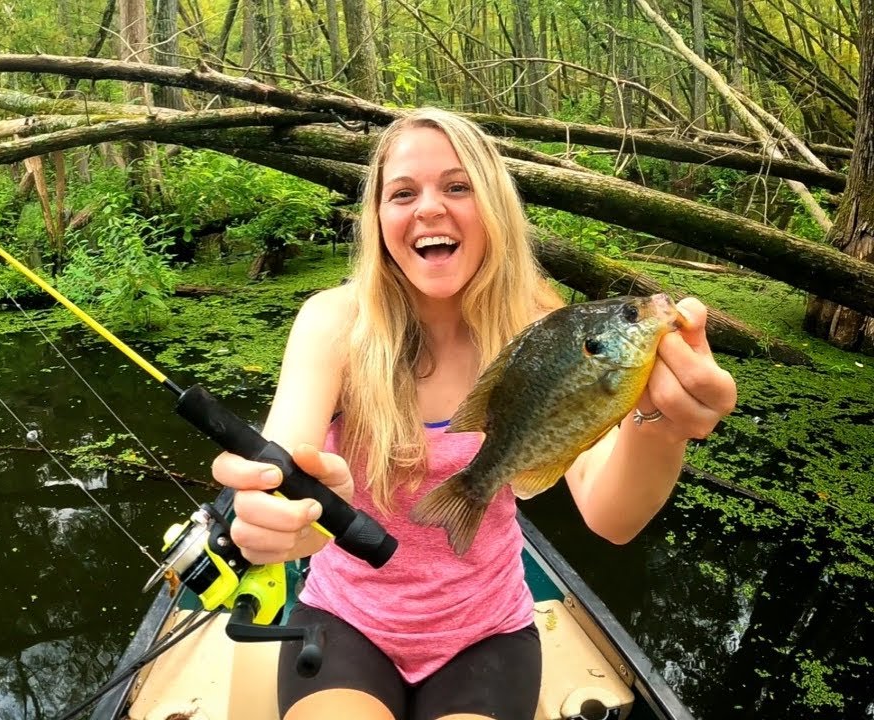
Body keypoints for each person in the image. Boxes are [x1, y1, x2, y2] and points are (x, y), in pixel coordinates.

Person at [210, 108, 738, 720]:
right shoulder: (333, 324)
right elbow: (281, 468)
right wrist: (276, 514)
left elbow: (610, 516)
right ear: (378, 220)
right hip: (346, 618)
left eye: (457, 186)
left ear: (493, 207)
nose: (429, 207)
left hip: (487, 634)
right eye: (402, 193)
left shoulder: (543, 327)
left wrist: (665, 424)